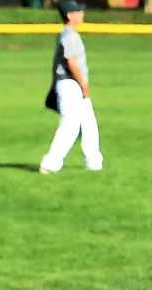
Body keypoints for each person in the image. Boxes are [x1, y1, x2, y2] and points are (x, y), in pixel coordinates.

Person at [38, 0, 101, 175]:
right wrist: (83, 85)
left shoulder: (69, 33)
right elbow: (71, 62)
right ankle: (50, 163)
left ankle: (94, 162)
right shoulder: (69, 35)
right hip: (70, 84)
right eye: (78, 11)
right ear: (69, 15)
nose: (82, 14)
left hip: (71, 83)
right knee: (71, 124)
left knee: (88, 123)